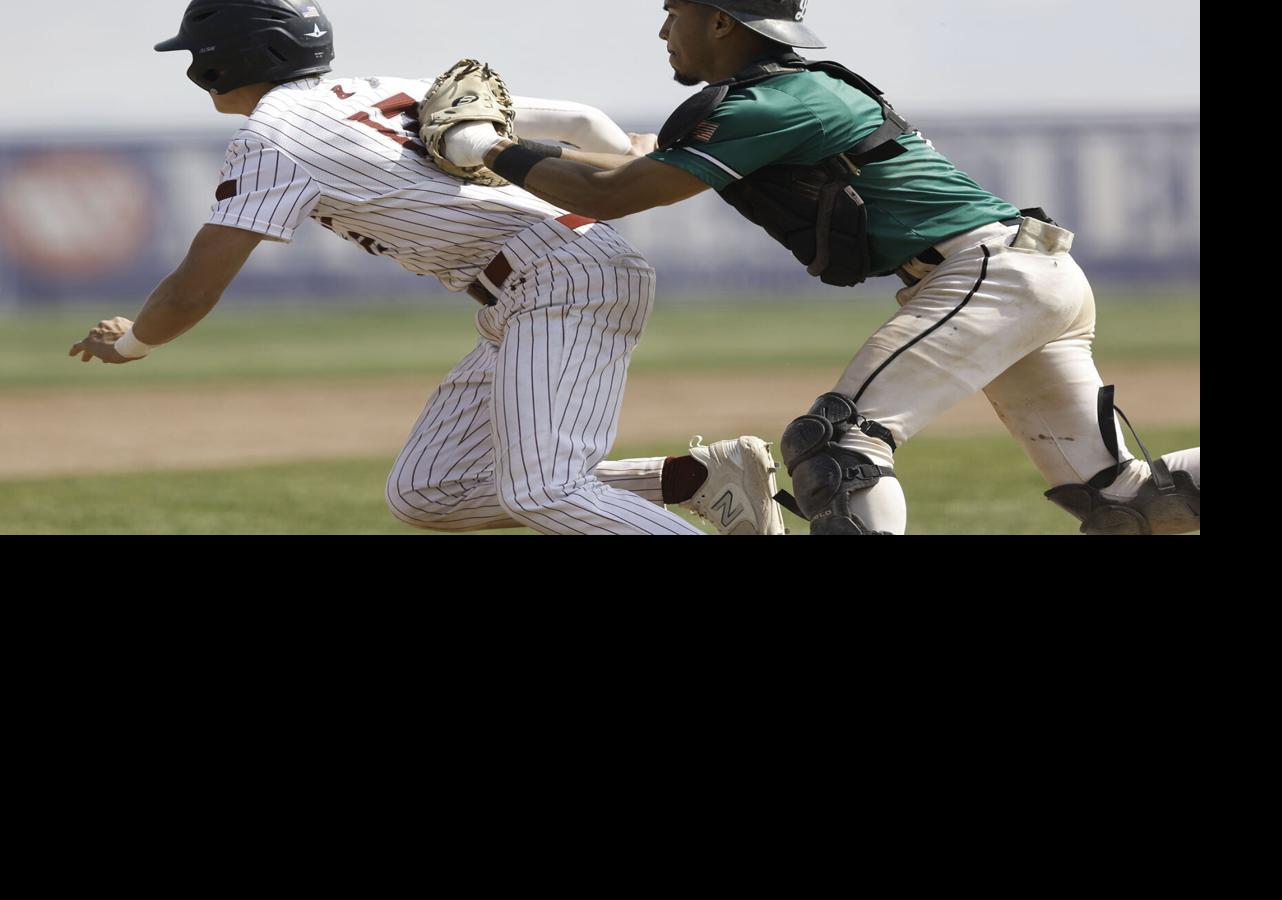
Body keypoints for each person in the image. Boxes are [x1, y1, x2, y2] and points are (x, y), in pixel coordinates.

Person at [424, 0, 1200, 535]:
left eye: (675, 10)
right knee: (1128, 506)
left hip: (989, 276)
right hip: (1019, 274)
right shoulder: (781, 97)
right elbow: (632, 162)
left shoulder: (767, 104)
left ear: (720, 20)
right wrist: (521, 147)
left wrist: (486, 148)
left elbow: (621, 192)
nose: (664, 27)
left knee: (837, 446)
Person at [67, 0, 784, 536]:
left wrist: (132, 340)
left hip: (561, 276)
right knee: (430, 492)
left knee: (545, 494)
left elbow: (194, 287)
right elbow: (577, 120)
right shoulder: (372, 89)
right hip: (537, 283)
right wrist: (622, 153)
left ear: (220, 60)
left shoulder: (273, 138)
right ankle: (699, 478)